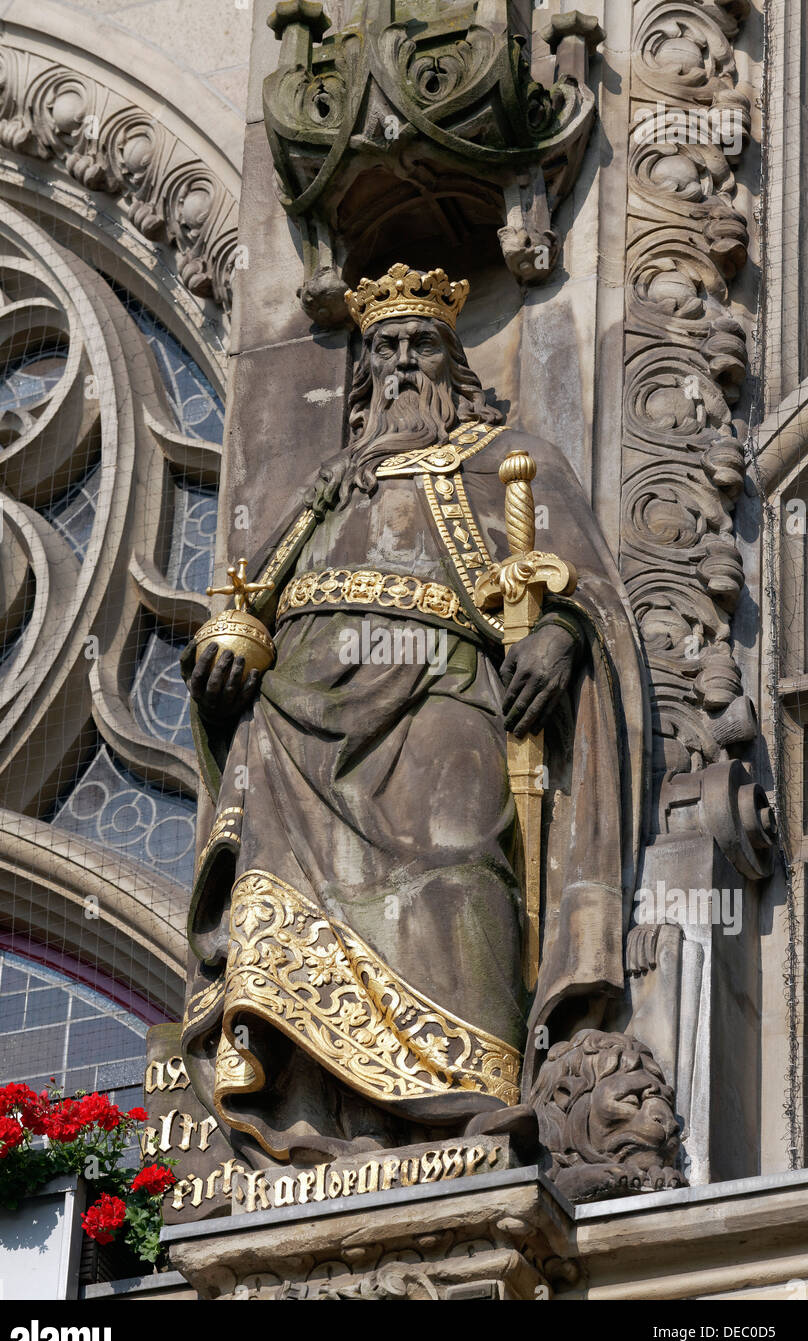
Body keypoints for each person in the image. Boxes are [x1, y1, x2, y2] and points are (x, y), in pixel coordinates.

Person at [180, 264, 644, 1166]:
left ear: (453, 360)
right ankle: (322, 1119)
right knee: (289, 894)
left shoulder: (507, 463)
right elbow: (249, 608)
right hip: (296, 724)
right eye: (383, 348)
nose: (401, 363)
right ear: (362, 372)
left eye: (420, 344)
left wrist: (559, 638)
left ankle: (470, 1101)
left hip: (442, 698)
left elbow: (590, 589)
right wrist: (227, 653)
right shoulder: (321, 489)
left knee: (462, 865)